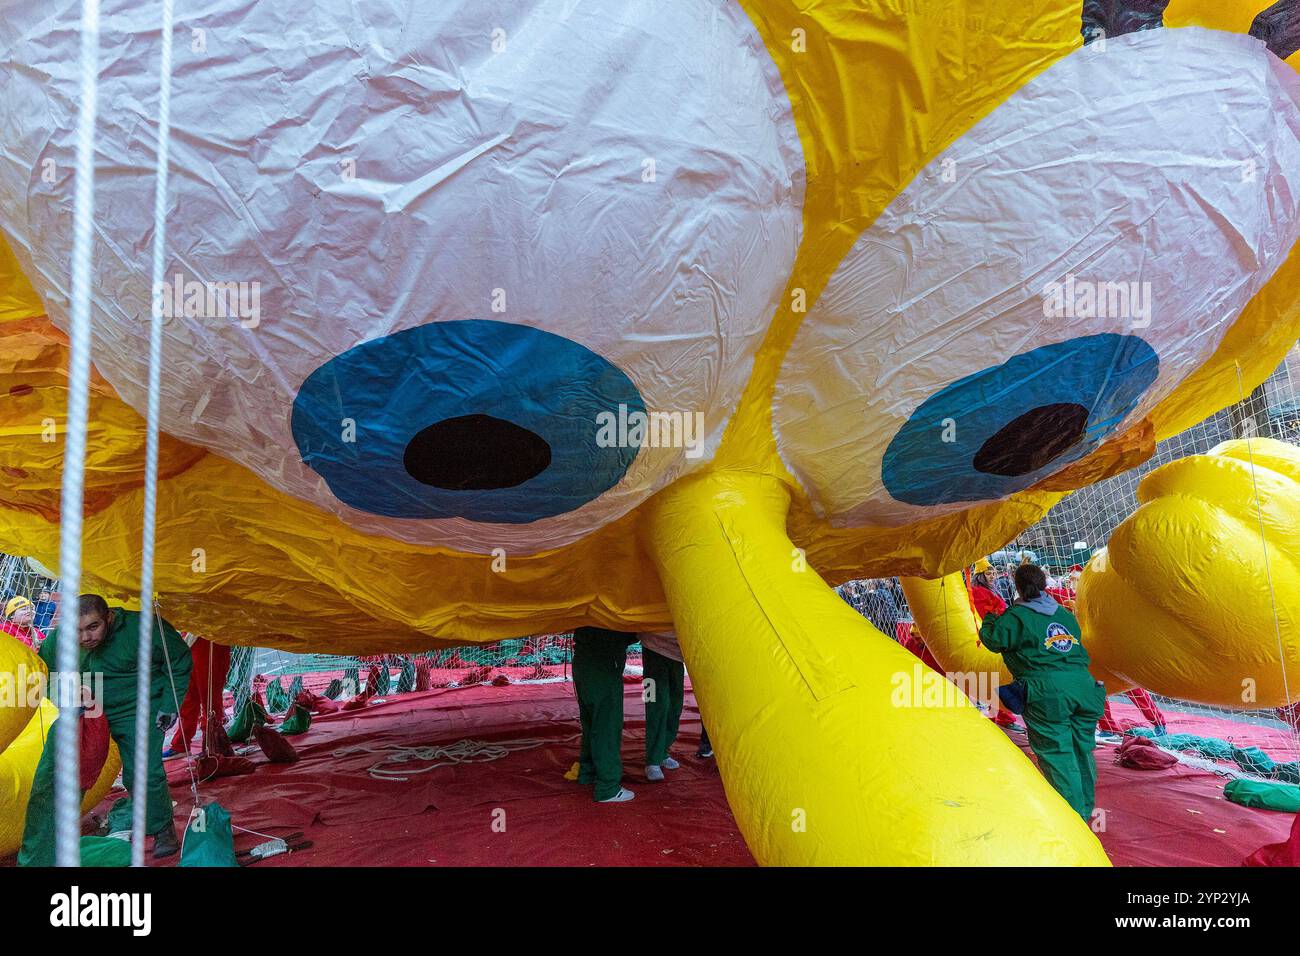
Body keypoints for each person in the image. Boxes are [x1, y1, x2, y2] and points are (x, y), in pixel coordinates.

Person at [18, 594, 193, 864]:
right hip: (88, 708)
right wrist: (66, 696)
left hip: (136, 706)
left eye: (93, 627)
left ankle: (161, 828)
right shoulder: (61, 638)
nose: (85, 637)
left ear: (109, 618)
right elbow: (47, 672)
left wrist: (169, 704)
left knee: (143, 771)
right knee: (58, 774)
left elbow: (179, 660)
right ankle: (44, 849)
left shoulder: (141, 627)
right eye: (78, 630)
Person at [978, 564, 1105, 822]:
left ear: (1017, 586)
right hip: (1085, 688)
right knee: (1082, 750)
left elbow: (993, 640)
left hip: (1048, 693)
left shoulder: (1016, 617)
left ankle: (1074, 821)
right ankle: (1086, 810)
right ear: (1044, 584)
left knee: (1057, 753)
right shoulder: (1064, 615)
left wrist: (990, 617)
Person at [572, 626, 637, 803]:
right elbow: (626, 630)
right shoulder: (608, 612)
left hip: (583, 662)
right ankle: (608, 787)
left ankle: (587, 773)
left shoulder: (588, 606)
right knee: (607, 726)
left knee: (591, 722)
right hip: (603, 663)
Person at [163, 633, 232, 758]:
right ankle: (181, 744)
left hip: (210, 639)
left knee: (210, 698)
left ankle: (212, 744)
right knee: (187, 698)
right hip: (188, 641)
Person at [639, 629, 685, 782]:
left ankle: (663, 752)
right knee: (655, 705)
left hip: (676, 655)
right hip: (653, 650)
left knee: (675, 705)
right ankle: (652, 760)